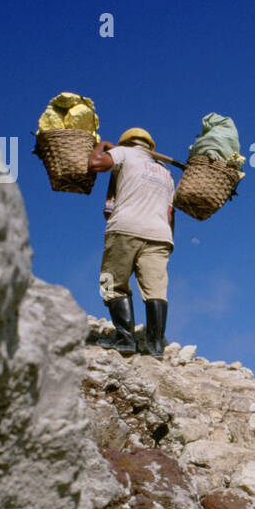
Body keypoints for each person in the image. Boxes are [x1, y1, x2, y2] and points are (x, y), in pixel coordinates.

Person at [87, 127, 176, 357]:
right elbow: (170, 214)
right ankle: (155, 346)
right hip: (160, 235)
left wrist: (103, 145)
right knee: (156, 290)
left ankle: (125, 338)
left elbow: (95, 165)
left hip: (125, 228)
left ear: (125, 142)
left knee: (109, 282)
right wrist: (167, 241)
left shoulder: (124, 154)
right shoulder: (165, 172)